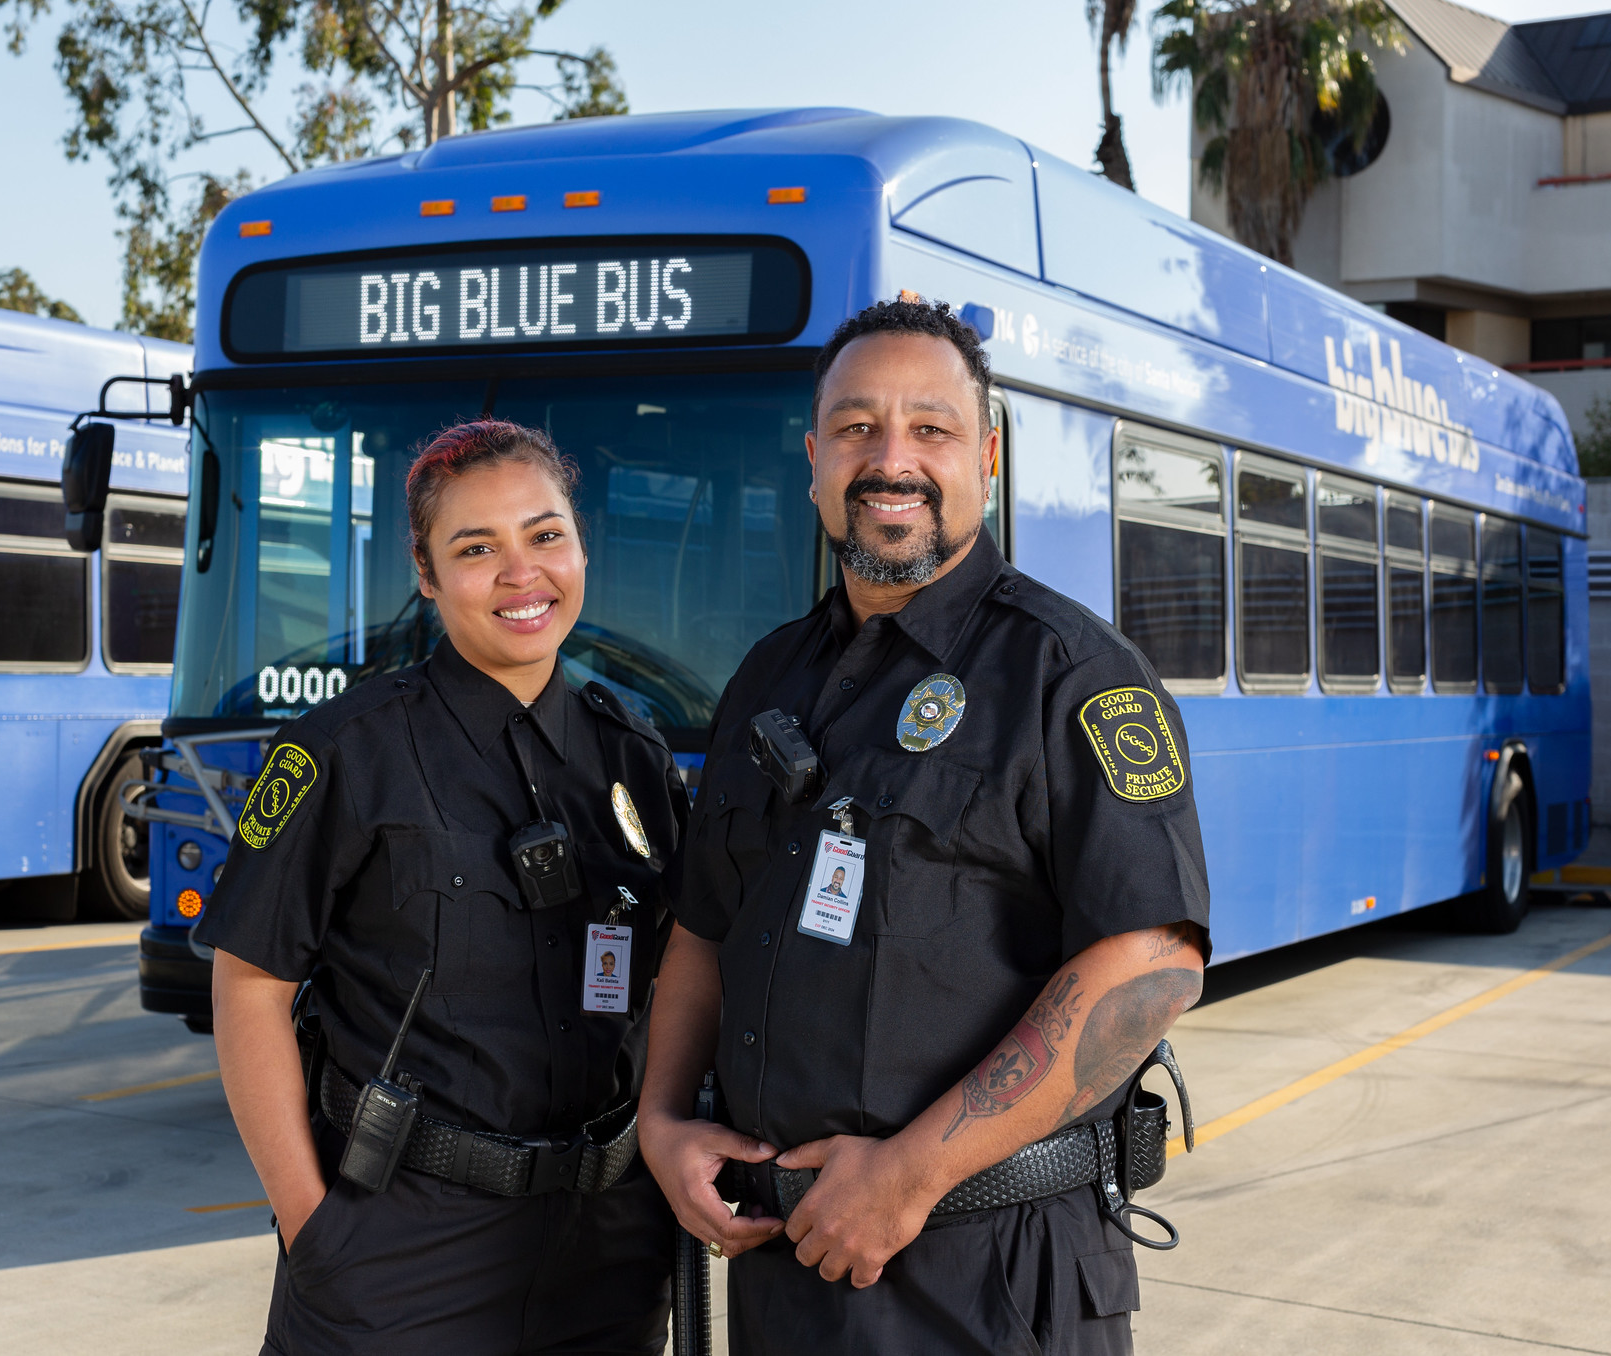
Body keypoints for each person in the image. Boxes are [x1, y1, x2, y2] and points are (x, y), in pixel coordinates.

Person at [638, 299, 1211, 1355]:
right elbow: (702, 927)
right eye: (856, 428)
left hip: (990, 1277)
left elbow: (1151, 964)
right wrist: (661, 1122)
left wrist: (908, 1175)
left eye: (929, 429)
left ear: (984, 458)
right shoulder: (767, 677)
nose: (888, 460)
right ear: (813, 460)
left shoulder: (1070, 675)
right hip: (786, 1267)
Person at [198, 420, 687, 1356]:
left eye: (545, 535)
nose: (521, 573)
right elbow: (249, 987)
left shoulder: (632, 752)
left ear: (580, 546)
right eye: (476, 548)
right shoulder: (343, 750)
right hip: (400, 1246)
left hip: (608, 1248)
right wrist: (317, 1233)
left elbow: (673, 977)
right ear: (425, 574)